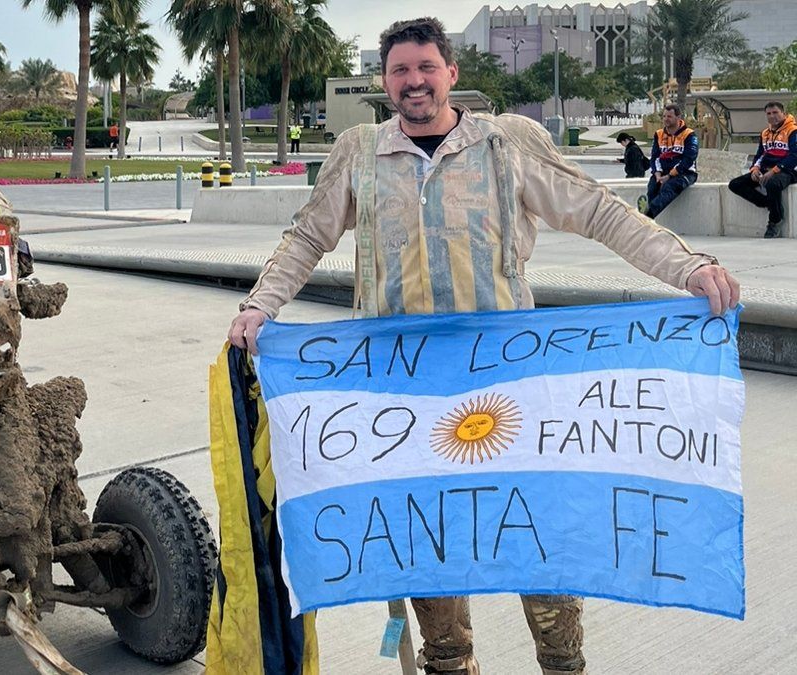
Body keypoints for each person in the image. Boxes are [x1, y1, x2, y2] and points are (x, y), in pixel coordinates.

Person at [227, 16, 739, 675]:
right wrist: (259, 305)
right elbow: (306, 237)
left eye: (425, 68)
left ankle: (562, 662)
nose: (414, 81)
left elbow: (599, 211)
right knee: (425, 539)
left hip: (508, 391)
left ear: (451, 74)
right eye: (400, 71)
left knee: (536, 539)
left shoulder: (507, 145)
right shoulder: (359, 153)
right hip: (402, 398)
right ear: (385, 81)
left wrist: (687, 267)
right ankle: (449, 662)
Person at [728, 100, 797, 239]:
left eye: (775, 112)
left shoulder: (793, 130)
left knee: (772, 184)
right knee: (735, 184)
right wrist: (755, 169)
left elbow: (794, 155)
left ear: (783, 113)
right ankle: (768, 203)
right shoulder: (765, 133)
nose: (772, 116)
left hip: (789, 170)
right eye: (769, 114)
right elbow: (760, 154)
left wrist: (774, 171)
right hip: (767, 169)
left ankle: (775, 220)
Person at [638, 104, 698, 218]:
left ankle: (647, 215)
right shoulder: (659, 134)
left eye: (669, 116)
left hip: (685, 173)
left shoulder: (689, 135)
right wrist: (657, 173)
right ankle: (648, 218)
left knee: (668, 187)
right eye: (664, 116)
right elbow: (655, 156)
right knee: (652, 188)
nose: (666, 119)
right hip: (663, 173)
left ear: (678, 117)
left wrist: (670, 176)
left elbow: (689, 159)